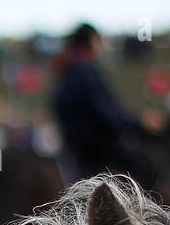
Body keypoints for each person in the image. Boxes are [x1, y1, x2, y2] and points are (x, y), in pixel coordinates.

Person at [50, 22, 158, 187]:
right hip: (99, 154)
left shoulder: (66, 71)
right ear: (92, 41)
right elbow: (110, 119)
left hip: (74, 152)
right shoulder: (87, 73)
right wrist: (142, 125)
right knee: (147, 165)